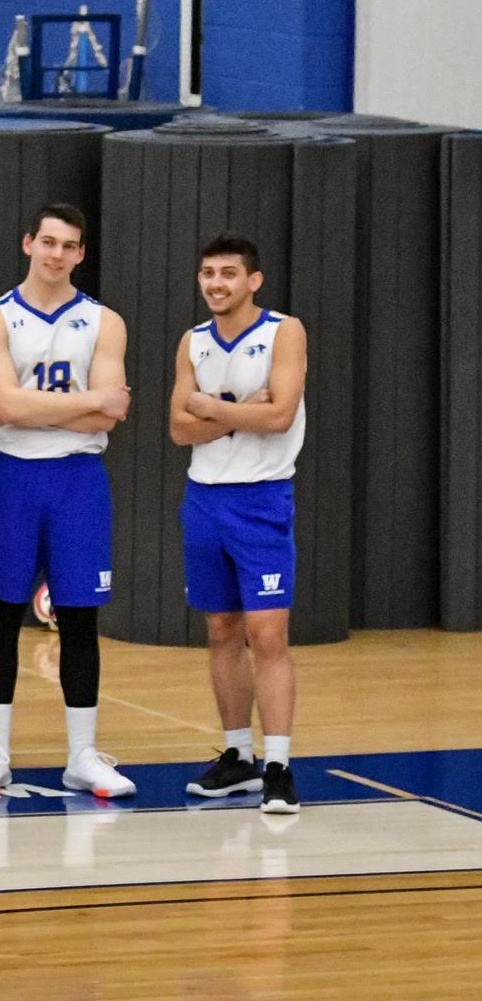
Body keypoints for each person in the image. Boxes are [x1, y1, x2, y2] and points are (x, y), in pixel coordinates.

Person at [0, 203, 136, 799]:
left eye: (69, 246)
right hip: (12, 475)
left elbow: (112, 406)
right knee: (2, 613)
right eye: (48, 242)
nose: (57, 254)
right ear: (28, 243)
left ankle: (82, 755)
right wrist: (85, 405)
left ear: (81, 254)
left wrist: (28, 404)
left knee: (81, 616)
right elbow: (8, 407)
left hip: (79, 479)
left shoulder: (105, 322)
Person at [170, 233, 308, 814]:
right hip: (204, 498)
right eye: (208, 273)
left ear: (254, 280)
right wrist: (240, 411)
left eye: (228, 273)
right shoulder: (193, 342)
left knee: (268, 634)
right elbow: (179, 428)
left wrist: (214, 408)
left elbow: (278, 417)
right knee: (221, 630)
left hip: (262, 499)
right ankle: (238, 756)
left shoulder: (285, 331)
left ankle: (278, 765)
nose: (216, 283)